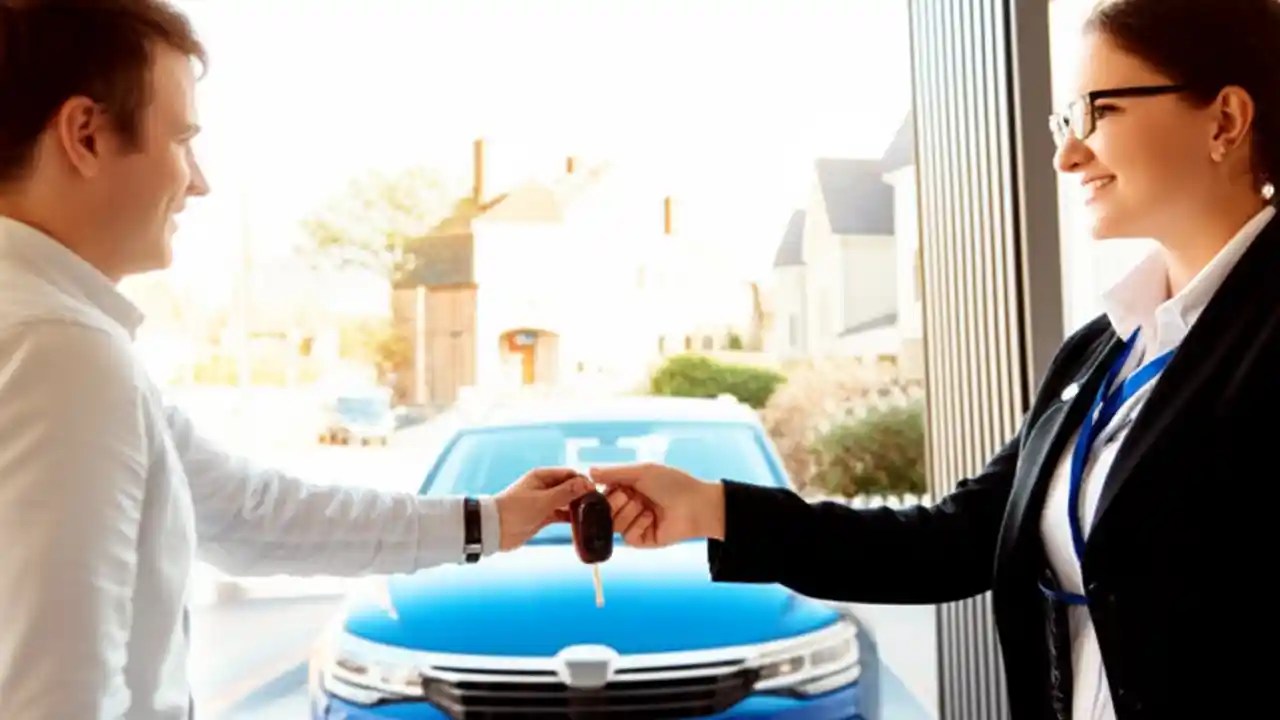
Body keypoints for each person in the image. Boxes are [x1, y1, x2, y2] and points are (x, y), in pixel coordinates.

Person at [596, 0, 1280, 718]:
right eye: (1063, 121)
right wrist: (712, 509)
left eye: (1096, 113)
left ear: (1225, 120)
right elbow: (955, 539)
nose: (1066, 153)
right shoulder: (1105, 347)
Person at [0, 2, 594, 718]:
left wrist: (495, 519)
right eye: (182, 139)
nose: (197, 181)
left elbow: (248, 514)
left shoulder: (52, 336)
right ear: (85, 135)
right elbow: (52, 699)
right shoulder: (62, 352)